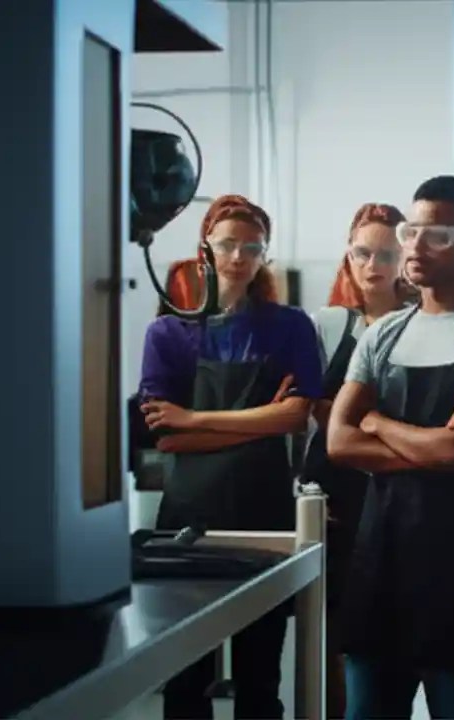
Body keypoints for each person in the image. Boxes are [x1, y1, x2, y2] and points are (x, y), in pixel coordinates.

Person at [327, 176, 454, 720]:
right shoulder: (382, 335)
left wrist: (377, 421)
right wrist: (433, 442)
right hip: (381, 551)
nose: (415, 246)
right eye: (411, 231)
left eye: (436, 235)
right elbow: (339, 441)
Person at [138, 194, 324, 720]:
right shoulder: (168, 333)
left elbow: (295, 417)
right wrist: (260, 419)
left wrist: (193, 418)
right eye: (227, 244)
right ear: (205, 248)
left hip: (265, 514)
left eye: (252, 247)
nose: (239, 256)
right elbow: (166, 438)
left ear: (265, 254)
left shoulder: (289, 325)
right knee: (186, 676)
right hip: (189, 517)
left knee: (260, 677)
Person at [303, 202, 417, 718]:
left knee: (397, 614)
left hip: (400, 485)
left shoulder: (422, 323)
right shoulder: (329, 324)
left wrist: (358, 421)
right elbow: (318, 410)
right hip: (335, 489)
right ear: (348, 256)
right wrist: (381, 426)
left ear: (405, 257)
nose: (374, 265)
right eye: (363, 253)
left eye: (386, 255)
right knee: (336, 623)